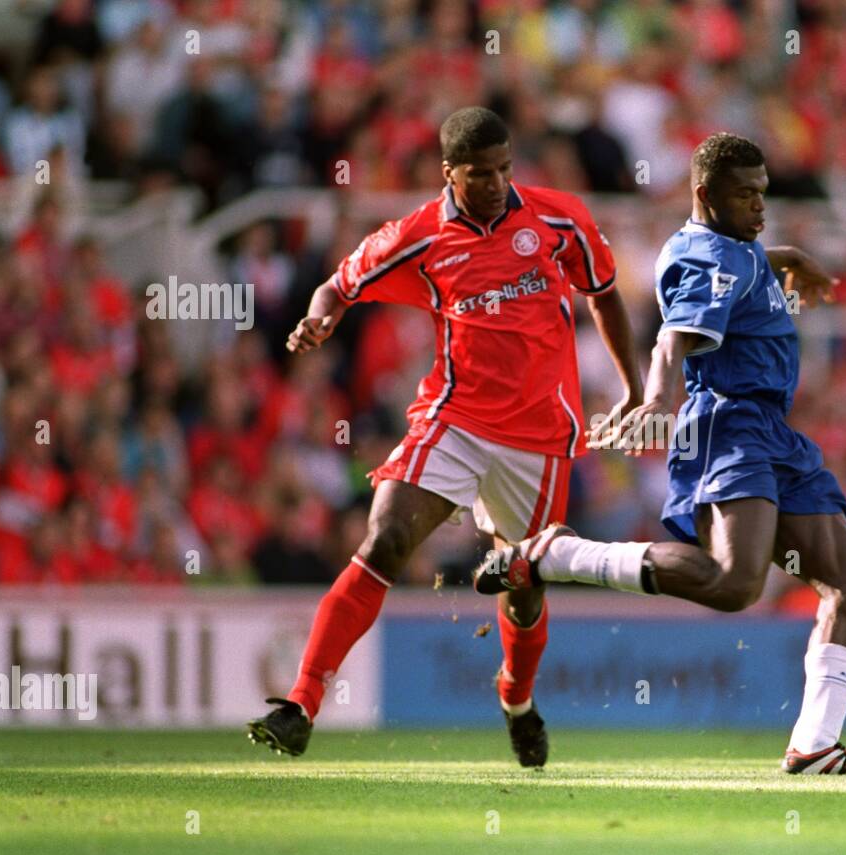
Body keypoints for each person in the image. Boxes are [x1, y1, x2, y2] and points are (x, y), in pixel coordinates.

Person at [475, 133, 846, 775]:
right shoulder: (703, 257)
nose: (759, 207)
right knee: (733, 583)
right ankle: (558, 554)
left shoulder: (735, 249)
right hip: (728, 424)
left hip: (773, 432)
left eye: (763, 193)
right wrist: (659, 402)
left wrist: (786, 255)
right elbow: (674, 338)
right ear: (704, 195)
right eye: (745, 195)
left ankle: (814, 745)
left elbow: (739, 262)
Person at [247, 107, 643, 766]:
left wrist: (632, 385)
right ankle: (300, 702)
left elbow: (603, 293)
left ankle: (516, 698)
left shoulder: (558, 218)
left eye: (503, 169)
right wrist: (318, 323)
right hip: (454, 420)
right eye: (479, 173)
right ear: (447, 172)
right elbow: (335, 286)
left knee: (525, 589)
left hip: (538, 438)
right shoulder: (418, 236)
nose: (495, 183)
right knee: (385, 537)